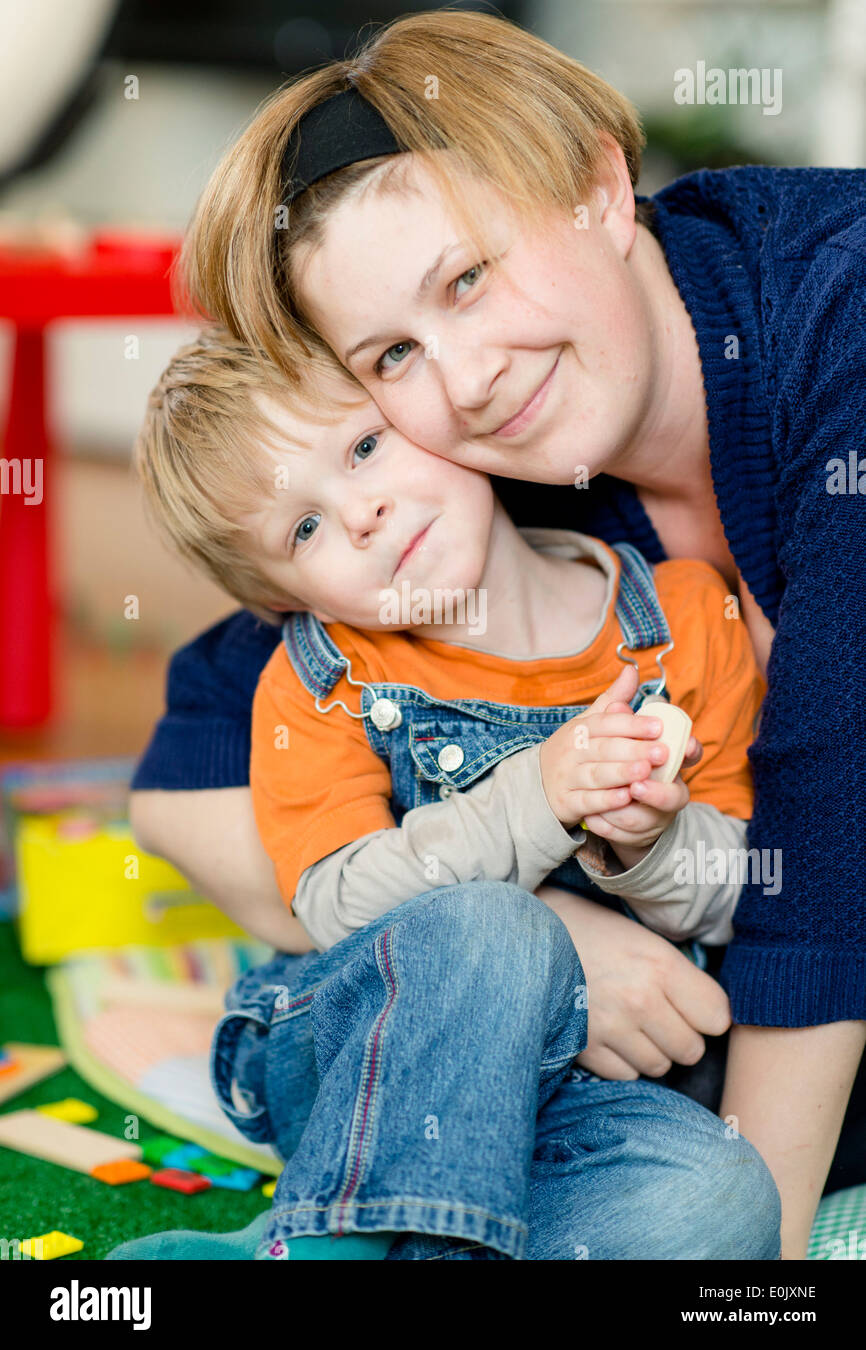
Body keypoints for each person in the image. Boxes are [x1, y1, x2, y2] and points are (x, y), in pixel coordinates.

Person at [134, 11, 866, 1257]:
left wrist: (766, 1254)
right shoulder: (477, 467)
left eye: (467, 277)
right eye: (392, 351)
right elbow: (187, 768)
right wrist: (526, 942)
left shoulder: (828, 326)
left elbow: (826, 866)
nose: (467, 377)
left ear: (597, 180)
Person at [125, 325, 778, 1261]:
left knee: (722, 1197)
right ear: (281, 599)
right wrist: (537, 801)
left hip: (585, 1101)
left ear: (430, 412)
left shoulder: (682, 618)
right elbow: (337, 902)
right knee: (492, 927)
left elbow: (742, 892)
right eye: (303, 528)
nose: (363, 514)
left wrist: (649, 848)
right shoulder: (320, 679)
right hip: (365, 1055)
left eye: (362, 447)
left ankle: (321, 1247)